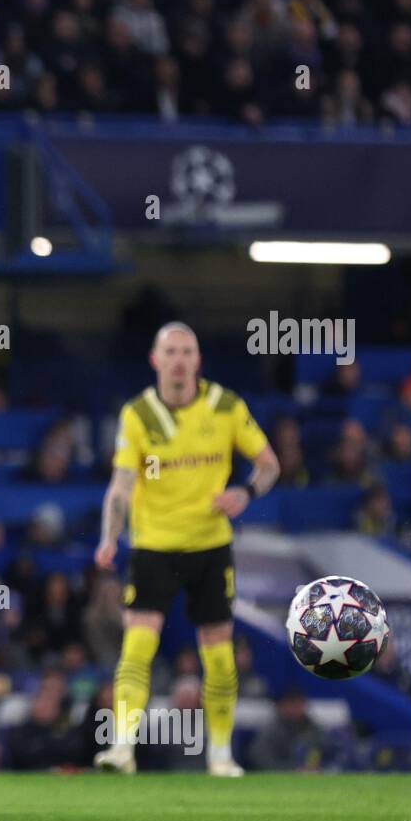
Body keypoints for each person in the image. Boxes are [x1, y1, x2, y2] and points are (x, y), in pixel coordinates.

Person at [94, 321, 280, 776]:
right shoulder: (138, 414)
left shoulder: (225, 406)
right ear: (156, 360)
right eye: (171, 352)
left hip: (210, 546)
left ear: (198, 360)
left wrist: (246, 494)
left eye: (187, 352)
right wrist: (107, 536)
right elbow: (120, 485)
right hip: (153, 546)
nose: (179, 360)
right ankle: (121, 749)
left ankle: (220, 755)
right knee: (137, 646)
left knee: (218, 653)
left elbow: (270, 464)